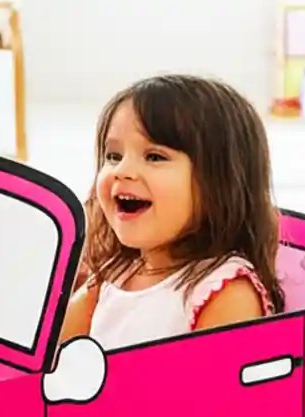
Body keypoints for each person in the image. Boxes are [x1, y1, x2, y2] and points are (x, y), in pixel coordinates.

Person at [59, 74, 285, 350]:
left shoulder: (225, 290)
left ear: (220, 182)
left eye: (154, 157)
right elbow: (51, 353)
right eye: (113, 156)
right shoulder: (114, 274)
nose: (122, 170)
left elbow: (217, 377)